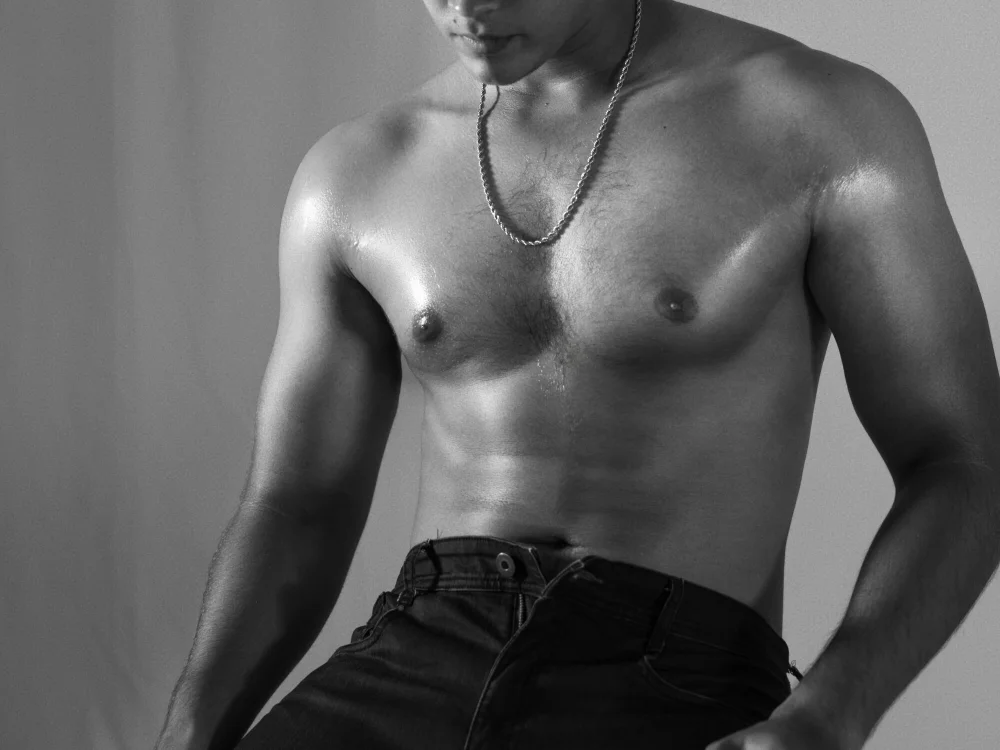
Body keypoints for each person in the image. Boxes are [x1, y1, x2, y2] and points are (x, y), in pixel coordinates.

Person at [155, 1, 1000, 749]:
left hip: (671, 673)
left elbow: (964, 462)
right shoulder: (359, 172)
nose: (466, 6)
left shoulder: (817, 122)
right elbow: (298, 502)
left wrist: (831, 713)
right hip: (418, 648)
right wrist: (188, 735)